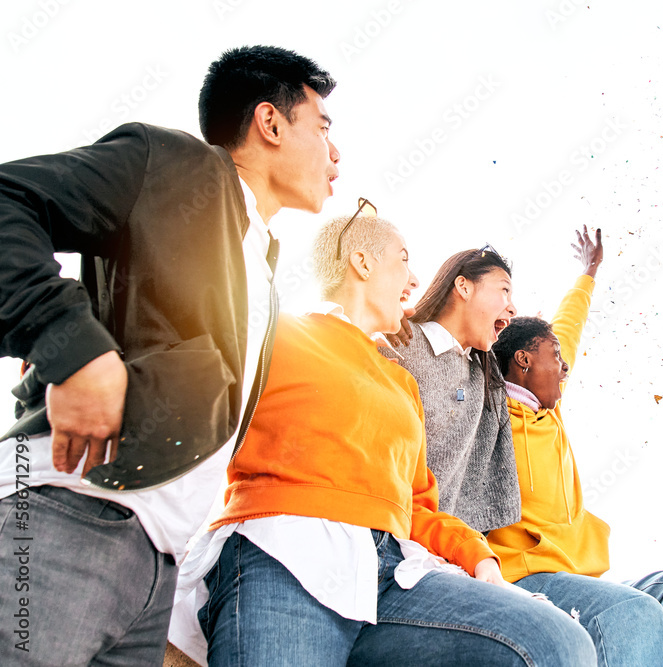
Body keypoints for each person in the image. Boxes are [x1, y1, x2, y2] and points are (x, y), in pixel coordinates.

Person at [0, 45, 340, 665]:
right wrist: (69, 346)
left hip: (155, 569)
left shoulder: (259, 265)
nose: (335, 153)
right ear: (270, 122)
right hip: (66, 515)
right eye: (322, 128)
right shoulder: (171, 163)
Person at [175, 211, 596, 667]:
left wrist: (481, 560)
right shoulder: (278, 334)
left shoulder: (401, 384)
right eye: (402, 260)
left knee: (558, 641)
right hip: (286, 551)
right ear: (362, 262)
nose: (414, 278)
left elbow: (416, 504)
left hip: (393, 570)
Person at [487, 226, 663, 666]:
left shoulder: (550, 413)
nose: (563, 368)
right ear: (523, 360)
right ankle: (637, 633)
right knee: (634, 611)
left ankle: (645, 641)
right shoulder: (492, 416)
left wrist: (590, 271)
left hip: (583, 583)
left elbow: (567, 326)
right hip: (527, 580)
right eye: (554, 358)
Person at [384, 245, 520, 533]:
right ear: (464, 286)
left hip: (442, 542)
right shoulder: (397, 343)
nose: (512, 306)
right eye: (504, 290)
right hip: (385, 532)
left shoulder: (482, 374)